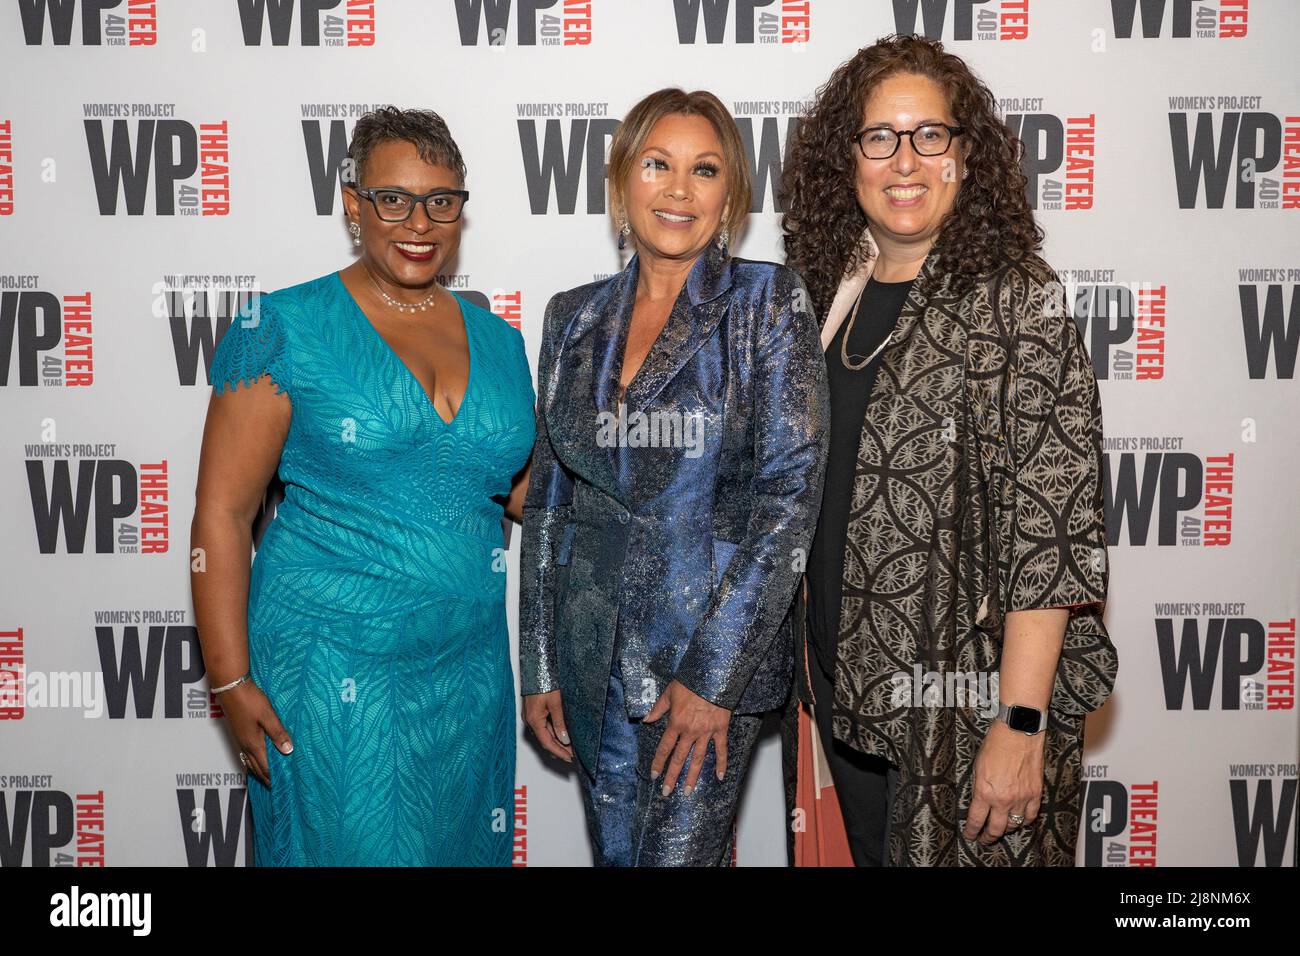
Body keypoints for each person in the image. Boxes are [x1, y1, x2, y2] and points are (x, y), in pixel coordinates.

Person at [780, 34, 1119, 866]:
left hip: (968, 708)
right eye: (880, 137)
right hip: (843, 696)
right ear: (846, 160)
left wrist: (1022, 722)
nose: (906, 161)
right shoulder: (827, 295)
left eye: (930, 135)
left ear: (966, 155)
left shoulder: (1018, 300)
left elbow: (1054, 533)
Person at [191, 106, 534, 865]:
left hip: (469, 673)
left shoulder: (500, 341)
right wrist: (229, 678)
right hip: (332, 668)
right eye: (394, 198)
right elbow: (223, 510)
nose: (419, 221)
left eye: (442, 201)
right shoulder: (283, 324)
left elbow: (514, 489)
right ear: (354, 203)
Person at [519, 88, 829, 866]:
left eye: (705, 169)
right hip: (590, 658)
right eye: (657, 164)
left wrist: (713, 679)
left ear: (732, 197)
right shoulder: (572, 316)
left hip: (702, 664)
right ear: (624, 180)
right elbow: (552, 500)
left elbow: (788, 502)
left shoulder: (767, 302)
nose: (680, 189)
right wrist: (542, 662)